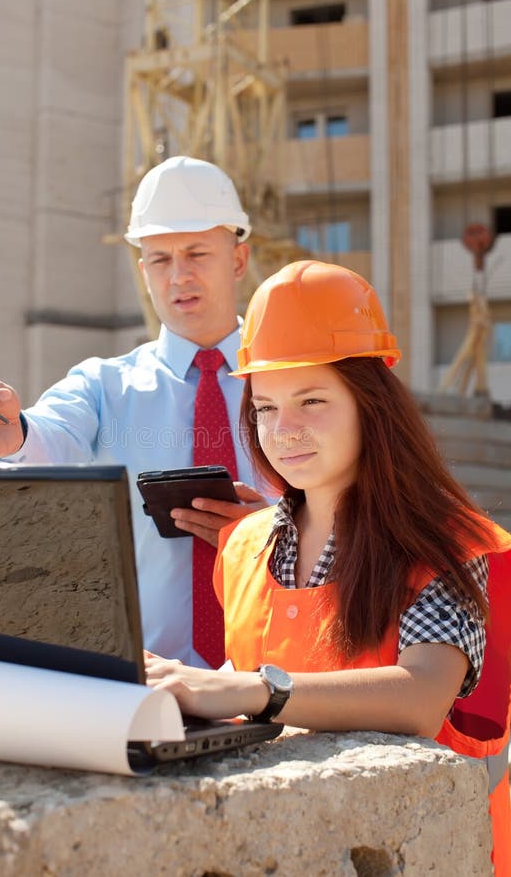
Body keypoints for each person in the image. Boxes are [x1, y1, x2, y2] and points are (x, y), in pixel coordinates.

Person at [146, 260, 511, 874]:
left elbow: (421, 695)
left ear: (372, 407)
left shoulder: (451, 544)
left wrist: (250, 688)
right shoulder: (244, 544)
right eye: (265, 407)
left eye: (311, 400)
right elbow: (239, 683)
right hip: (275, 846)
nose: (283, 430)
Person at [0, 156, 267, 667]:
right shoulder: (104, 385)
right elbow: (48, 435)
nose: (178, 276)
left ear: (237, 260)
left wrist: (277, 530)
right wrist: (10, 435)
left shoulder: (291, 382)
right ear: (143, 272)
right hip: (147, 682)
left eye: (196, 253)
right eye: (160, 259)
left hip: (277, 680)